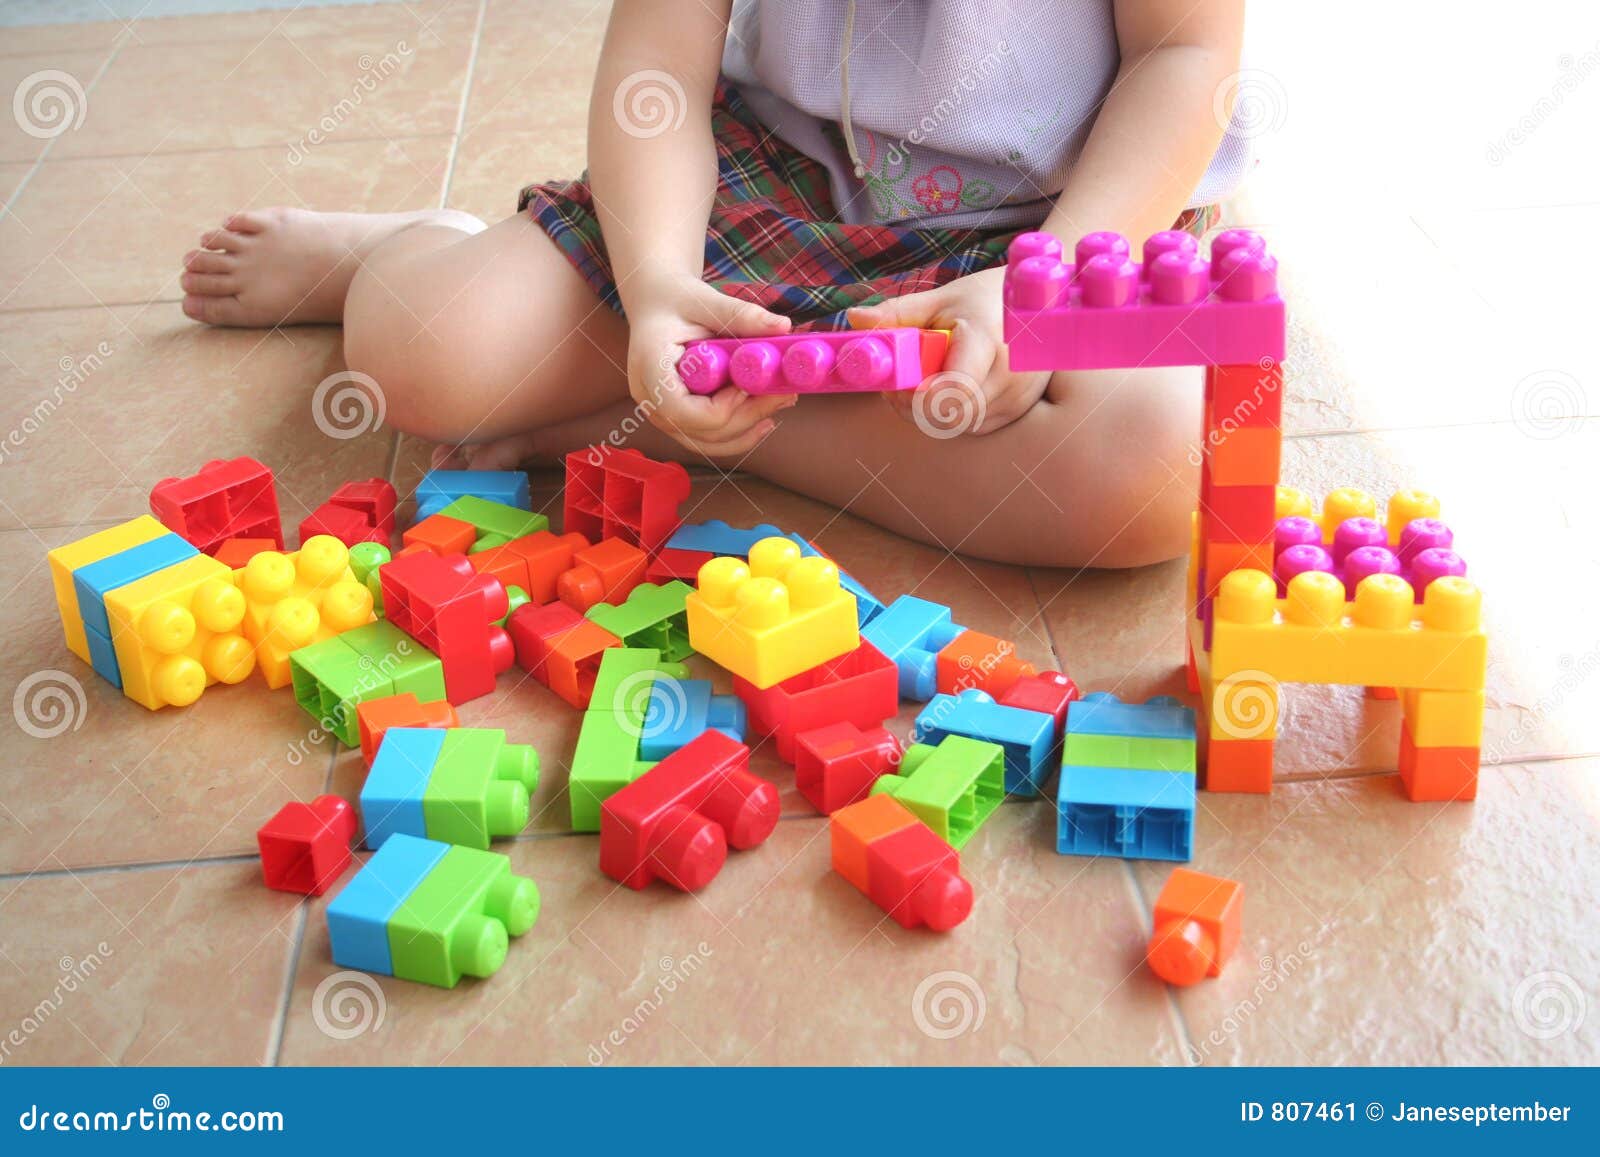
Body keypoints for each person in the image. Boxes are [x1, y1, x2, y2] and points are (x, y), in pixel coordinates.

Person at [180, 0, 1249, 567]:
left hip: (1058, 219)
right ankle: (412, 244)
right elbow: (657, 66)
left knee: (1156, 468)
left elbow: (1185, 56)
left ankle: (628, 418)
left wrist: (1042, 279)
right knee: (427, 346)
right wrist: (653, 280)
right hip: (768, 182)